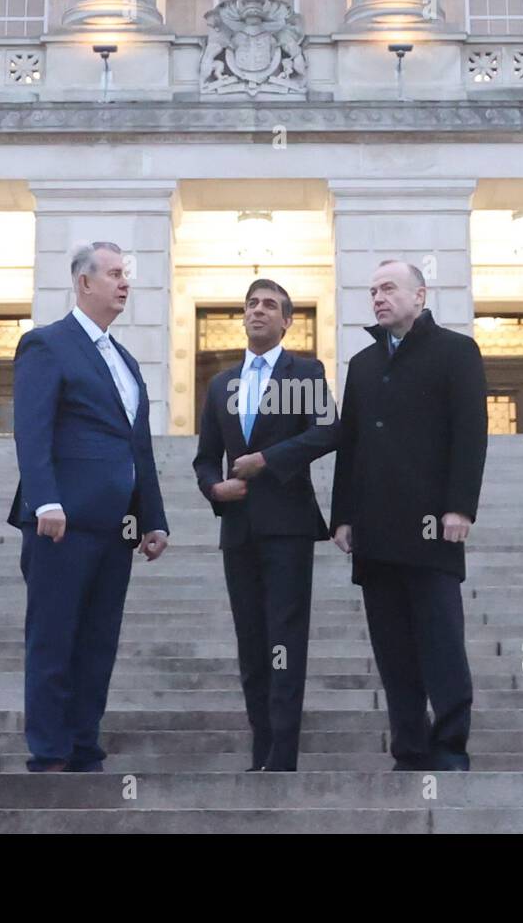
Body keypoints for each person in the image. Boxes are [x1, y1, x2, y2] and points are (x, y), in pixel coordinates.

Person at [6, 240, 169, 773]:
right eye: (116, 274)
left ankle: (82, 745)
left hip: (115, 529)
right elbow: (32, 431)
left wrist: (153, 519)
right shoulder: (46, 345)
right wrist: (45, 500)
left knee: (98, 643)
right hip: (61, 523)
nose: (125, 283)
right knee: (54, 637)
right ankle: (49, 752)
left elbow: (136, 443)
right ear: (84, 282)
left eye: (127, 274)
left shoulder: (124, 360)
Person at [330, 259, 488, 771]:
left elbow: (470, 433)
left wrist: (459, 505)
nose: (378, 297)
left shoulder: (456, 352)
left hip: (431, 528)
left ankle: (449, 745)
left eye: (389, 288)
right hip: (375, 533)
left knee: (441, 643)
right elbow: (349, 445)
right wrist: (343, 516)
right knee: (394, 651)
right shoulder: (362, 364)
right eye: (372, 290)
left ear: (420, 295)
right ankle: (410, 748)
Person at [192, 278, 339, 771]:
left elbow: (328, 430)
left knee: (283, 641)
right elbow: (205, 458)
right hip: (239, 530)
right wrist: (215, 488)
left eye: (269, 305)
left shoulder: (306, 372)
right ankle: (261, 750)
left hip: (289, 528)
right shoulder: (220, 384)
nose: (258, 311)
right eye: (251, 303)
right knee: (251, 643)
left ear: (286, 320)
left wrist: (268, 460)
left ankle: (283, 755)